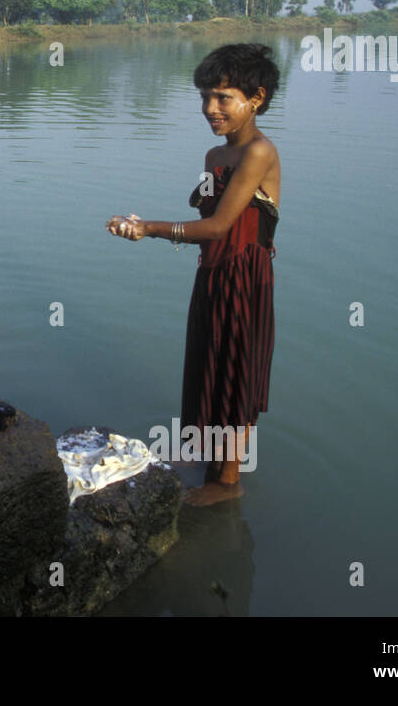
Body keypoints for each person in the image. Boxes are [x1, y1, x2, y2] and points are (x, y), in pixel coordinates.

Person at [109, 43, 281, 507]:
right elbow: (205, 223)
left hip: (245, 280)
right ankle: (207, 456)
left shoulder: (260, 153)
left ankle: (228, 485)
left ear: (256, 98)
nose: (210, 108)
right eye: (205, 97)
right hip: (213, 275)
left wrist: (149, 228)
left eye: (223, 97)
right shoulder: (214, 158)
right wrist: (151, 229)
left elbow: (221, 225)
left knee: (237, 376)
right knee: (209, 366)